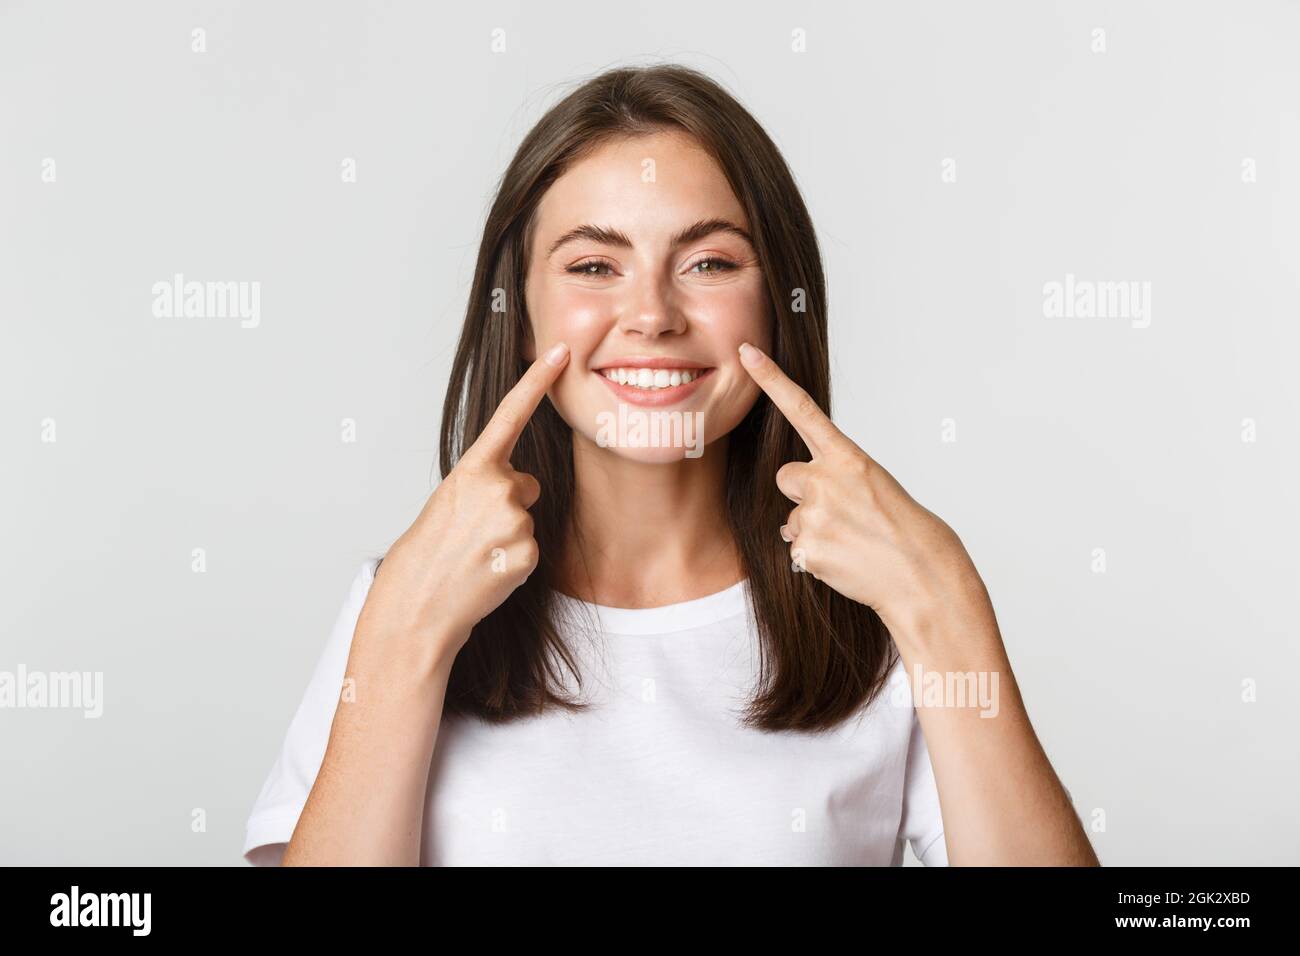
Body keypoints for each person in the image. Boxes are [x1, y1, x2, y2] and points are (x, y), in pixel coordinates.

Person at [242, 63, 1098, 866]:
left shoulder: (882, 619)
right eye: (592, 265)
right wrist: (404, 640)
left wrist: (945, 605)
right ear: (522, 312)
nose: (651, 314)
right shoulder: (399, 600)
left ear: (776, 299)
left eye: (708, 263)